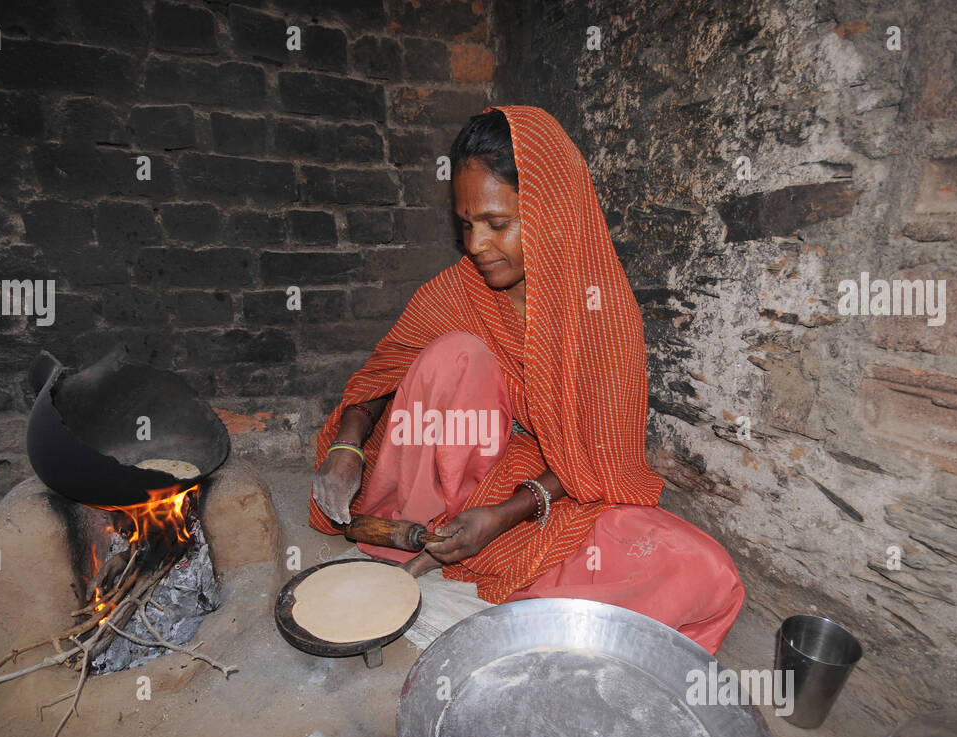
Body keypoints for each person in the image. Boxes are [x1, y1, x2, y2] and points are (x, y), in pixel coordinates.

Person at [307, 105, 744, 654]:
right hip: (452, 476)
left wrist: (508, 512)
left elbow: (601, 462)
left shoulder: (598, 309)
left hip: (549, 489)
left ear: (553, 212)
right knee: (456, 354)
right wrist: (347, 446)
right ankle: (414, 535)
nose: (475, 245)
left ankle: (518, 597)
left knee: (703, 570)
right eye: (466, 225)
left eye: (496, 224)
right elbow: (380, 377)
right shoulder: (459, 291)